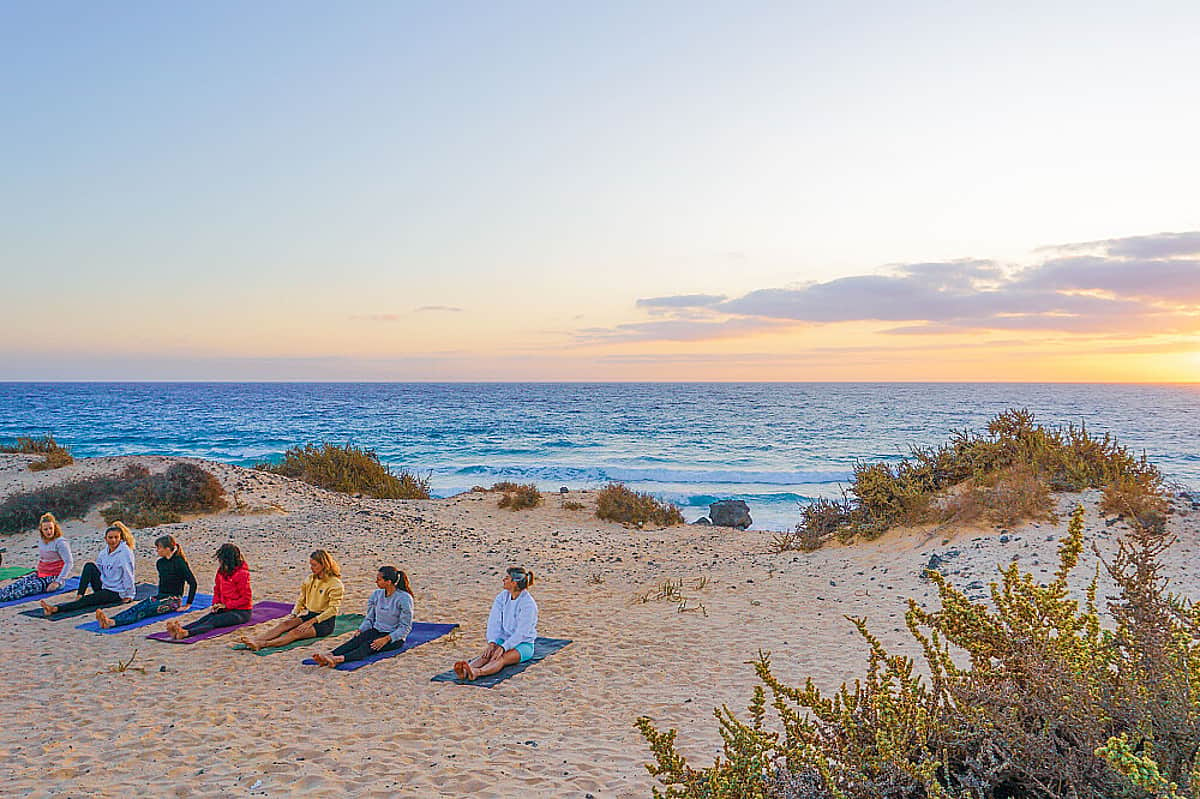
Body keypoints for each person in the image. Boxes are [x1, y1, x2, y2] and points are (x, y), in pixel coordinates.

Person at [238, 549, 343, 651]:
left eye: (314, 565)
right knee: (285, 624)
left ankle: (262, 644)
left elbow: (333, 609)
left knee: (295, 633)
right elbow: (301, 599)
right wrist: (294, 614)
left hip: (324, 622)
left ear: (324, 565)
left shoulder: (335, 584)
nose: (311, 568)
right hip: (311, 615)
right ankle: (256, 639)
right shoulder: (310, 579)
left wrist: (311, 622)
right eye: (311, 565)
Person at [313, 566, 413, 667]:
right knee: (356, 641)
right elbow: (370, 618)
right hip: (377, 630)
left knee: (368, 646)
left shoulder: (404, 598)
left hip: (394, 638)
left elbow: (405, 627)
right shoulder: (377, 594)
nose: (376, 581)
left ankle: (338, 659)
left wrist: (387, 639)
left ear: (388, 582)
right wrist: (361, 630)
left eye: (379, 579)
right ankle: (330, 655)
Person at [453, 566, 538, 681]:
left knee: (500, 658)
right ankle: (465, 670)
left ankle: (477, 672)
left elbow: (521, 633)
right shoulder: (502, 597)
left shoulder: (528, 604)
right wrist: (492, 642)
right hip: (504, 638)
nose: (503, 580)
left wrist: (504, 647)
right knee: (487, 655)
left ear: (514, 583)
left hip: (523, 643)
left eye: (507, 578)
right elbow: (494, 621)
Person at [96, 534, 196, 628]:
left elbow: (193, 583)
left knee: (145, 610)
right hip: (161, 596)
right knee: (139, 606)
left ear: (168, 549)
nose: (157, 550)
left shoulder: (179, 562)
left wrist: (188, 604)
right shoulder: (160, 563)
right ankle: (111, 620)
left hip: (174, 600)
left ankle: (113, 623)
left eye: (159, 548)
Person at [39, 522, 135, 616]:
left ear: (120, 538)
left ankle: (56, 609)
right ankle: (79, 595)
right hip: (105, 585)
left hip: (116, 592)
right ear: (105, 539)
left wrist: (129, 595)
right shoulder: (104, 552)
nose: (113, 540)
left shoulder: (125, 553)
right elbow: (98, 569)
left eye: (116, 537)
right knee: (89, 566)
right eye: (110, 538)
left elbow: (128, 573)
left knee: (87, 600)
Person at [165, 543, 252, 639]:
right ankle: (180, 629)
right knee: (204, 619)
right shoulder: (221, 572)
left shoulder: (242, 574)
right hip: (224, 608)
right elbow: (217, 590)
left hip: (241, 612)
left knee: (214, 621)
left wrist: (226, 605)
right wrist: (216, 603)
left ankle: (187, 633)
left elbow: (246, 599)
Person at [0, 512, 73, 603]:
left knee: (25, 588)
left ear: (55, 527)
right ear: (41, 530)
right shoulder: (42, 541)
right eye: (45, 529)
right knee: (18, 584)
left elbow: (69, 563)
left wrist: (58, 582)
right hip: (41, 574)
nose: (49, 531)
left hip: (53, 578)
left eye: (51, 528)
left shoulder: (61, 543)